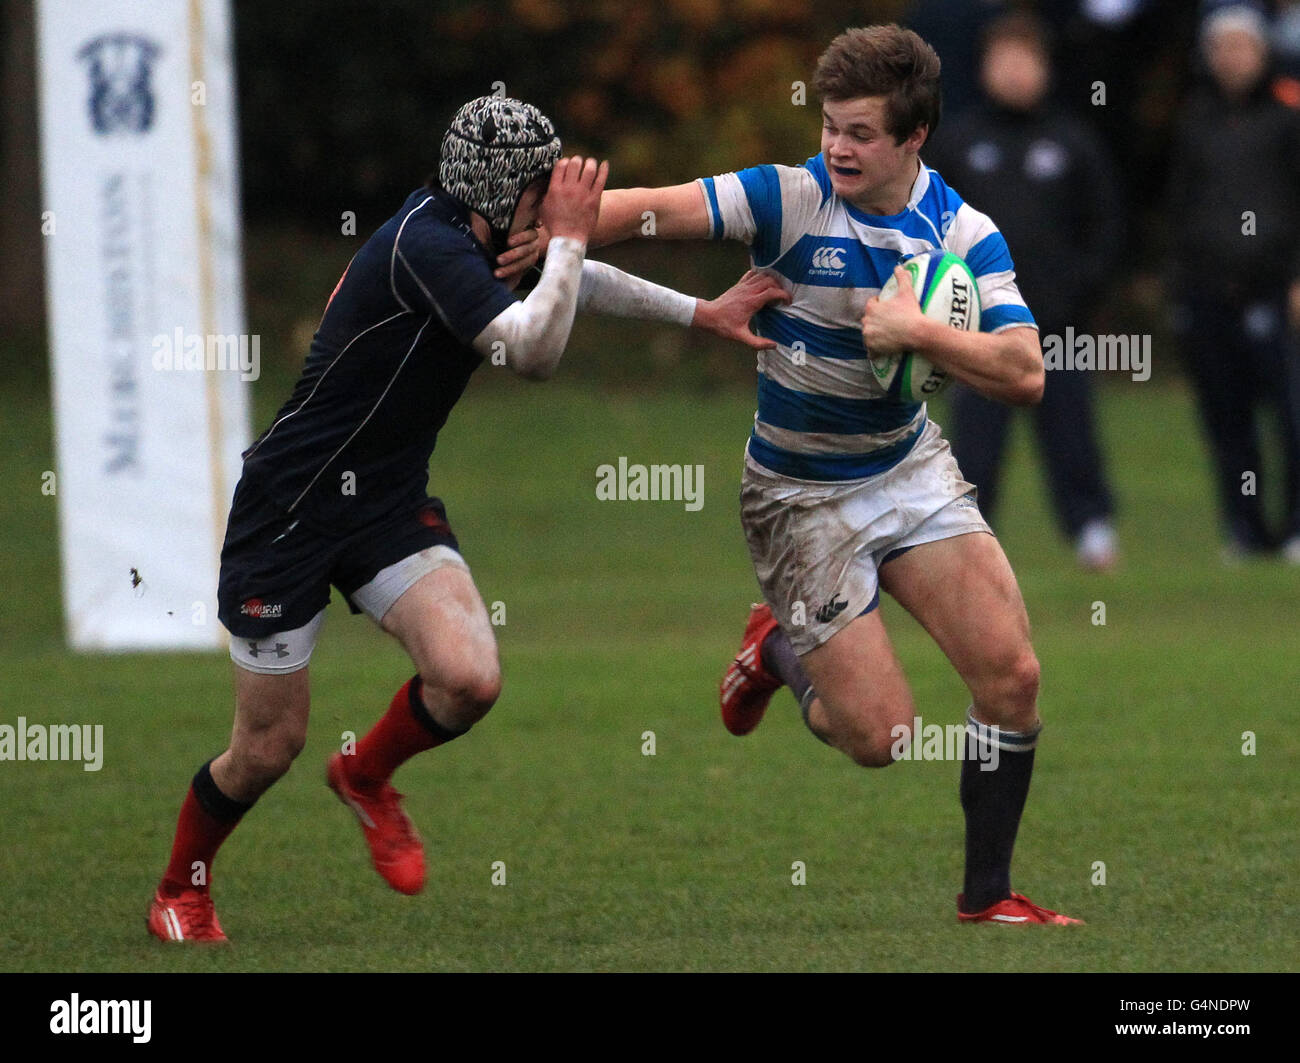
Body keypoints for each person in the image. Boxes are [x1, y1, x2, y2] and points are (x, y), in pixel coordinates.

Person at [146, 95, 788, 942]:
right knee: (268, 745)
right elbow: (534, 351)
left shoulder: (482, 232)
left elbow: (572, 282)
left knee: (469, 679)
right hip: (290, 510)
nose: (558, 206)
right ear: (495, 193)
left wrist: (697, 313)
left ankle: (366, 775)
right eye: (542, 191)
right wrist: (563, 238)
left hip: (383, 499)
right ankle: (179, 890)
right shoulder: (427, 245)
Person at [591, 25, 1082, 924]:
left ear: (913, 137)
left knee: (1011, 675)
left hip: (907, 468)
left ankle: (988, 896)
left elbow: (1025, 371)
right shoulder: (786, 200)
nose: (837, 147)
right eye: (829, 126)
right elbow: (652, 209)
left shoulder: (962, 231)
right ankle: (776, 645)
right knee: (881, 738)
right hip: (799, 495)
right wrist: (543, 228)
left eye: (859, 132)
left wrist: (918, 334)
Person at [927, 11, 1122, 571]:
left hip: (1056, 327)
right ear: (986, 67)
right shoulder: (961, 142)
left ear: (1044, 68)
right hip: (979, 332)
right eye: (1003, 60)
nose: (1014, 73)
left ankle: (1091, 529)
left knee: (1071, 433)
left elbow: (1106, 225)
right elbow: (925, 229)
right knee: (976, 443)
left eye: (1025, 61)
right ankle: (969, 540)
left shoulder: (1072, 142)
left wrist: (1079, 290)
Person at [1167, 4, 1300, 560]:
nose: (1232, 59)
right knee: (1226, 417)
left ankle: (1294, 526)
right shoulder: (1193, 119)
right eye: (1222, 47)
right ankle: (1243, 529)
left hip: (1275, 289)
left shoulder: (1287, 117)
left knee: (1291, 414)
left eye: (1243, 46)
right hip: (1207, 290)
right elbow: (1179, 204)